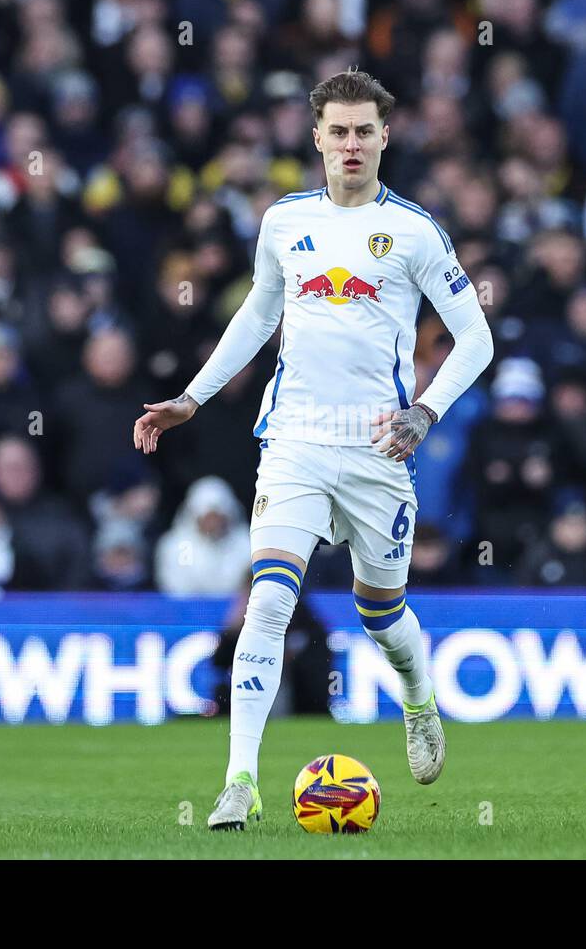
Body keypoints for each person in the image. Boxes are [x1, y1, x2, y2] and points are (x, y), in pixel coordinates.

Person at [133, 69, 493, 829]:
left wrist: (425, 412)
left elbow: (476, 338)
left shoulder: (415, 231)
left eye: (364, 131)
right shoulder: (283, 221)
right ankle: (239, 781)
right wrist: (193, 397)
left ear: (384, 137)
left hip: (377, 448)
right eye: (338, 131)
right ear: (317, 138)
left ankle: (419, 701)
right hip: (293, 439)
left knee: (381, 614)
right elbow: (257, 313)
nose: (351, 144)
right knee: (268, 600)